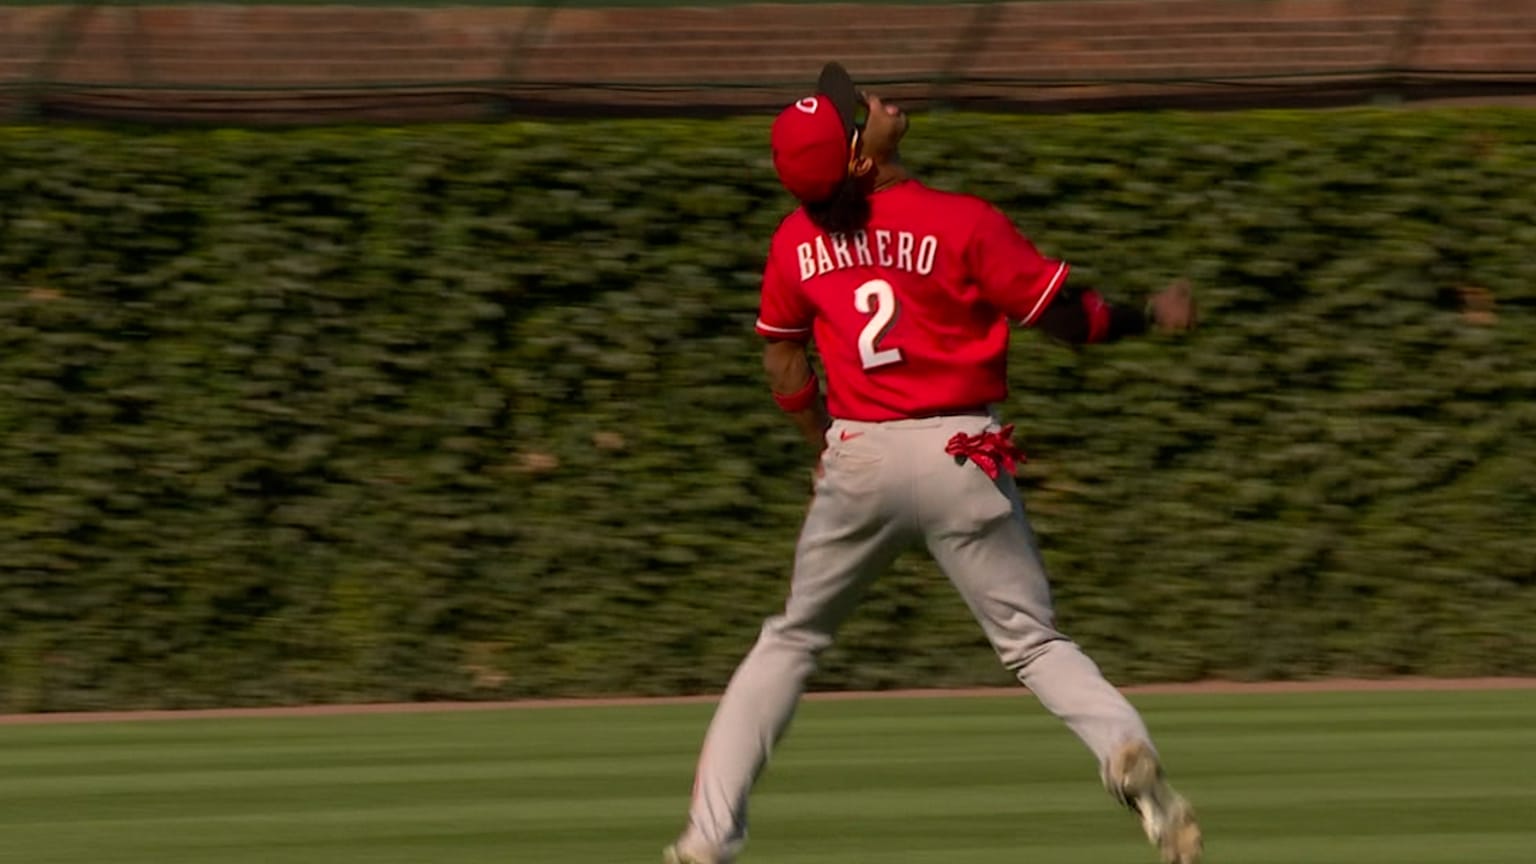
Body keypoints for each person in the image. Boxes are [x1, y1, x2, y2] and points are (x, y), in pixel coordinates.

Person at [664, 62, 1203, 864]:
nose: (875, 99)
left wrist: (823, 451)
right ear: (859, 158)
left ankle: (707, 840)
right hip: (960, 453)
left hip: (860, 453)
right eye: (861, 108)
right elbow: (1063, 317)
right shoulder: (959, 221)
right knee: (1031, 644)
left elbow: (783, 365)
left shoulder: (793, 241)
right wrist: (1145, 318)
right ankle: (1126, 754)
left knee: (792, 641)